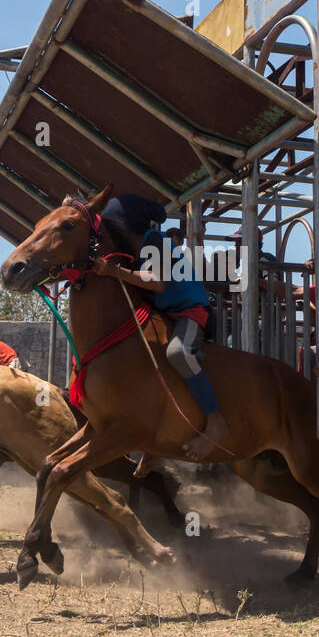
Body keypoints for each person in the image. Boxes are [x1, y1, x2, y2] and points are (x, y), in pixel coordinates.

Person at [91, 194, 228, 460]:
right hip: (165, 312)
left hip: (189, 310)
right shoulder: (134, 249)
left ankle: (216, 423)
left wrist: (112, 272)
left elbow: (157, 282)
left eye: (111, 225)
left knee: (177, 353)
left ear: (126, 224)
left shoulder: (154, 240)